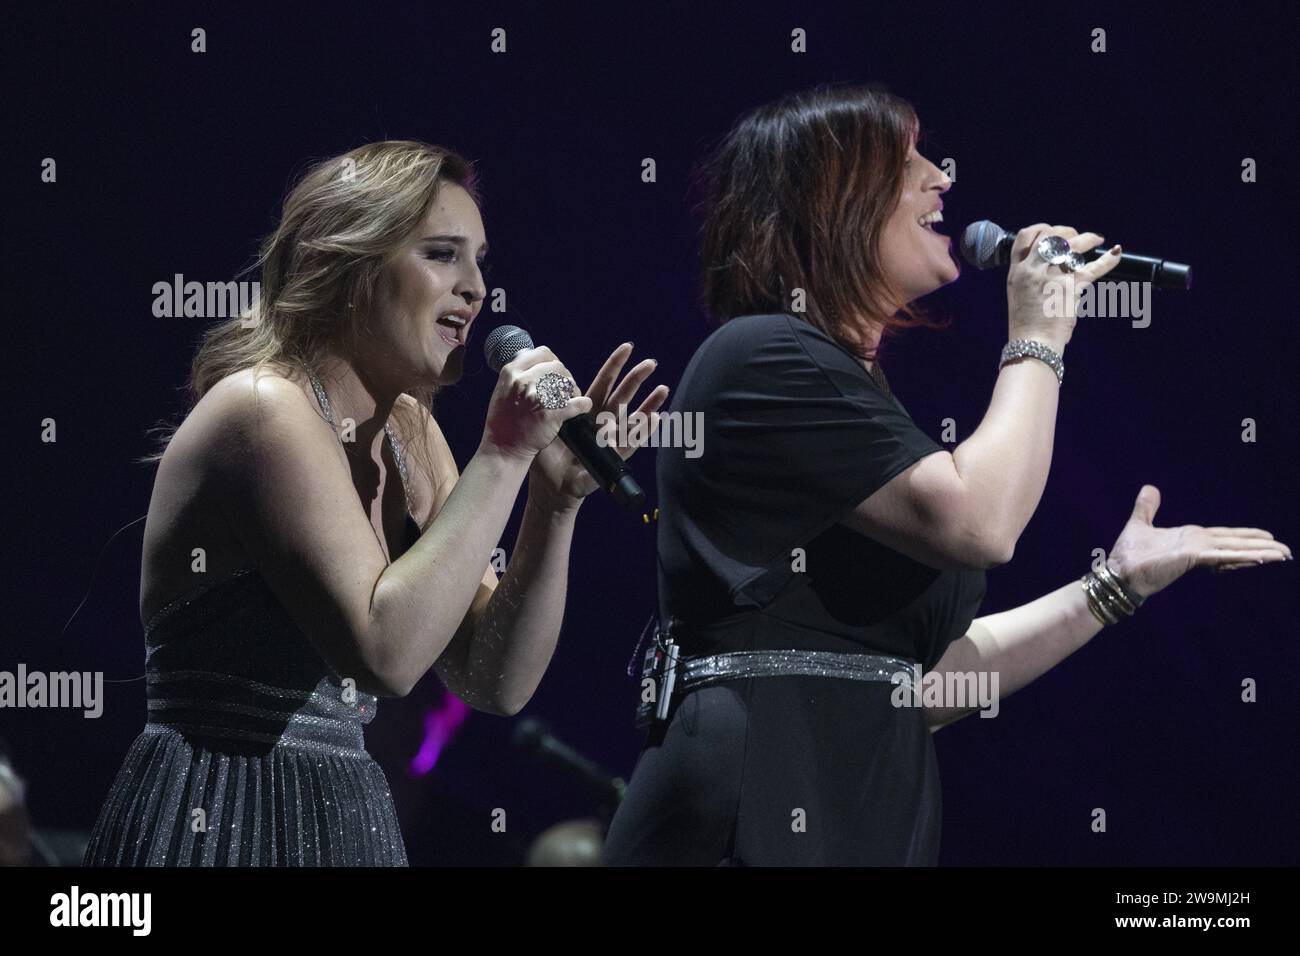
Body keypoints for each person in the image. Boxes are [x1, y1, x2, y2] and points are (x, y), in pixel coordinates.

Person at [602, 85, 1291, 866]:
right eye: (906, 161)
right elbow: (981, 522)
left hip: (857, 800)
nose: (942, 179)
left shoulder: (846, 391)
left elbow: (921, 688)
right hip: (756, 790)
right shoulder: (761, 353)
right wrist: (1039, 333)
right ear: (831, 202)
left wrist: (1114, 586)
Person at [84, 140, 668, 866]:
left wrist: (552, 502)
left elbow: (495, 681)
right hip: (224, 805)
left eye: (481, 259)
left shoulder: (411, 434)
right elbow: (386, 656)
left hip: (343, 810)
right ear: (352, 269)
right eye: (443, 254)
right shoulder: (265, 410)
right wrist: (505, 453)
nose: (477, 288)